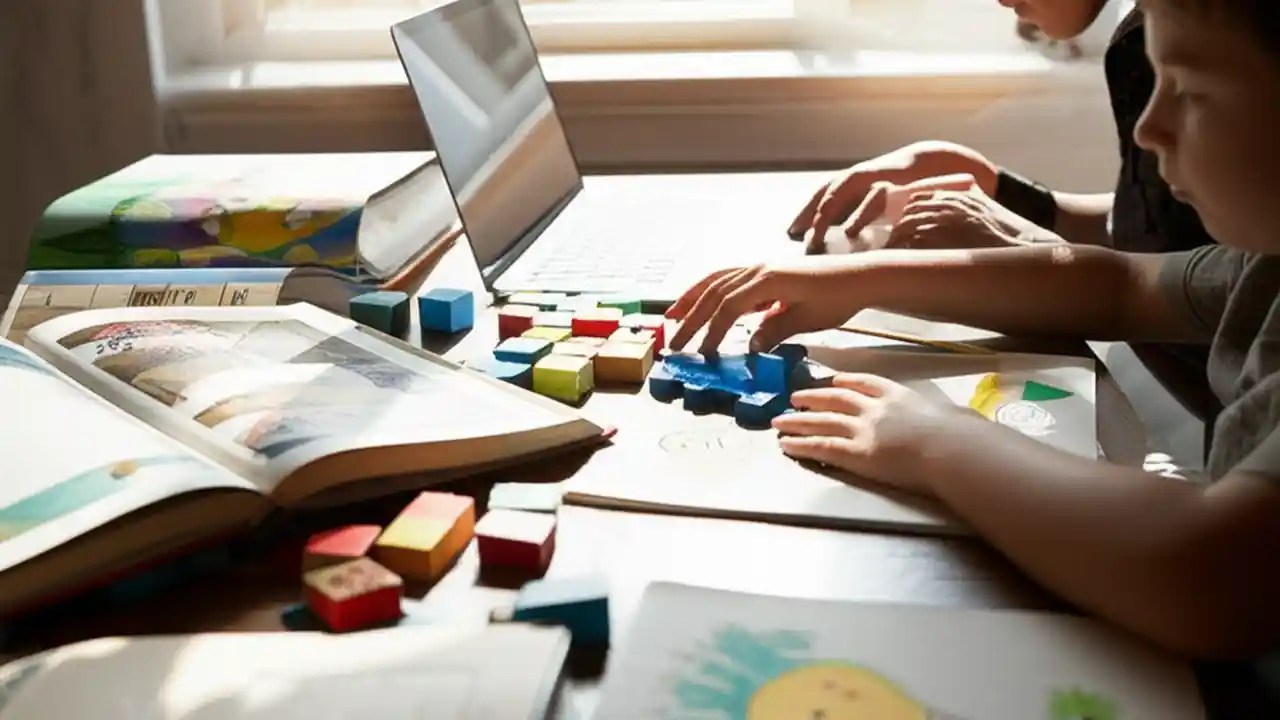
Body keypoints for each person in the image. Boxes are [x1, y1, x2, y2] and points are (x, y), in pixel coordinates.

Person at [665, 0, 1280, 659]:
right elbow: (1119, 285)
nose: (1148, 129)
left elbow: (1209, 576)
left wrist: (933, 440)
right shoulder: (1263, 265)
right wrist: (858, 278)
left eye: (1187, 89)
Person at [789, 0, 1221, 423]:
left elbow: (1188, 310)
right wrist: (1013, 195)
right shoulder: (1163, 26)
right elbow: (1168, 239)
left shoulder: (1165, 33)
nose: (1149, 129)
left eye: (1190, 92)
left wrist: (1024, 250)